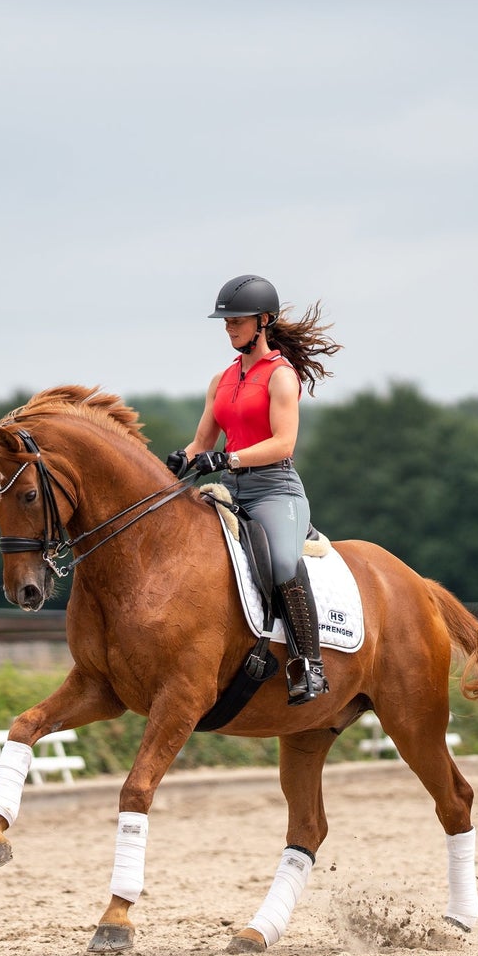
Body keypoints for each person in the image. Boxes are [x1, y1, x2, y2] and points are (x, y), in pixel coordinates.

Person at [168, 275, 343, 704]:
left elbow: (283, 443)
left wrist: (228, 459)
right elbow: (203, 443)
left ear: (263, 321)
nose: (229, 328)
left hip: (274, 491)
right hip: (230, 488)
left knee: (283, 560)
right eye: (225, 322)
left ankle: (309, 664)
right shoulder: (221, 380)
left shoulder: (281, 377)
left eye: (238, 321)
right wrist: (182, 460)